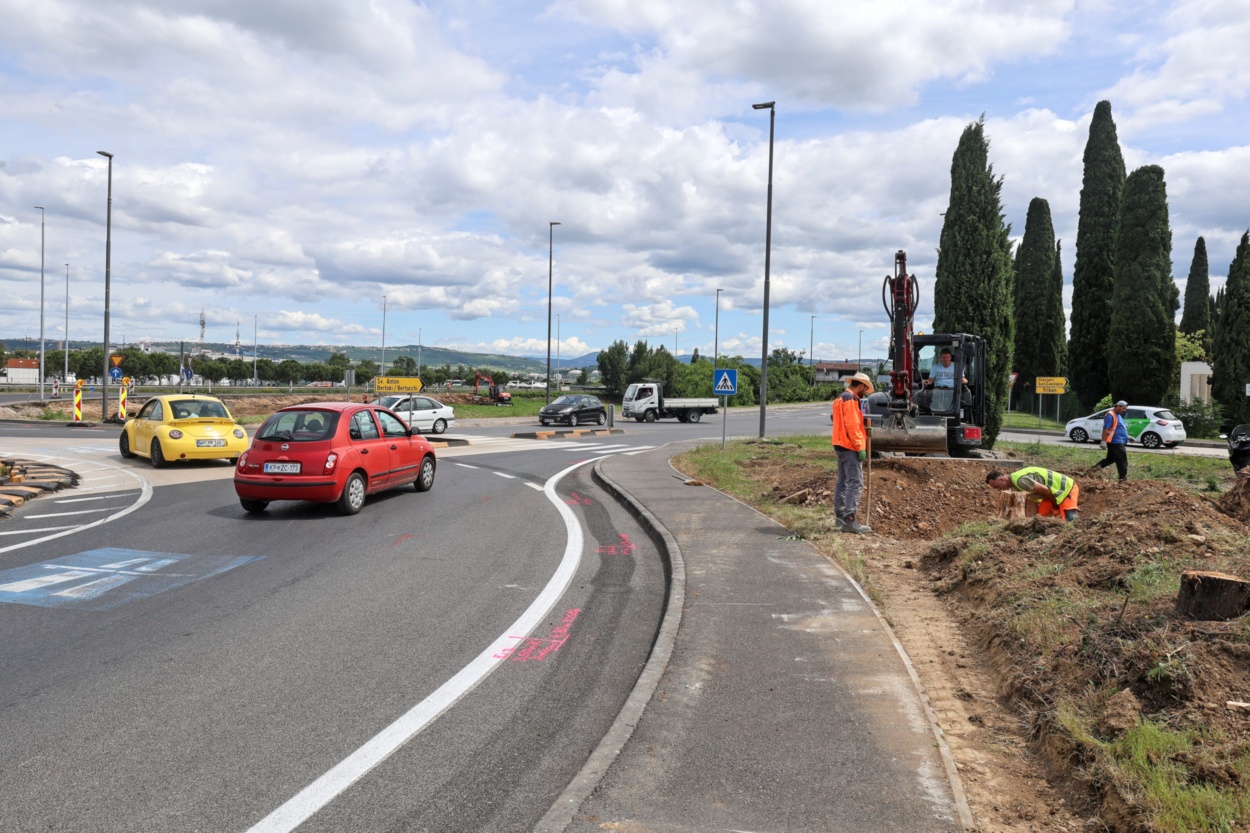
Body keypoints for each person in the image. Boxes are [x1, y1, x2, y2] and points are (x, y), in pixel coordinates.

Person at [832, 371, 874, 534]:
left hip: (839, 444)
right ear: (861, 386)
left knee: (842, 481)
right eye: (865, 388)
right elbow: (852, 425)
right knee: (855, 482)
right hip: (849, 446)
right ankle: (849, 519)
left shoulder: (840, 397)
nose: (865, 392)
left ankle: (840, 516)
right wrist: (860, 447)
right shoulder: (850, 399)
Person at [986, 467, 1080, 522]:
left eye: (996, 486)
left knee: (1069, 521)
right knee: (1040, 520)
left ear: (1002, 480)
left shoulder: (1020, 481)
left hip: (1065, 488)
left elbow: (1046, 491)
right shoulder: (1015, 486)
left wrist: (1055, 507)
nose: (998, 489)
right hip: (1050, 495)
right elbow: (1032, 500)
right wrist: (1031, 521)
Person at [1096, 400, 1129, 481]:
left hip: (1117, 441)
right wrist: (1103, 441)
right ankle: (1123, 478)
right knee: (1122, 460)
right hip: (1115, 442)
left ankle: (1092, 470)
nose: (1124, 410)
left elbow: (1118, 428)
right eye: (1123, 408)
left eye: (1125, 409)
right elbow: (1105, 429)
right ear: (1118, 406)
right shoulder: (1110, 415)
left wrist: (1127, 436)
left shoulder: (1118, 415)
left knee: (1110, 459)